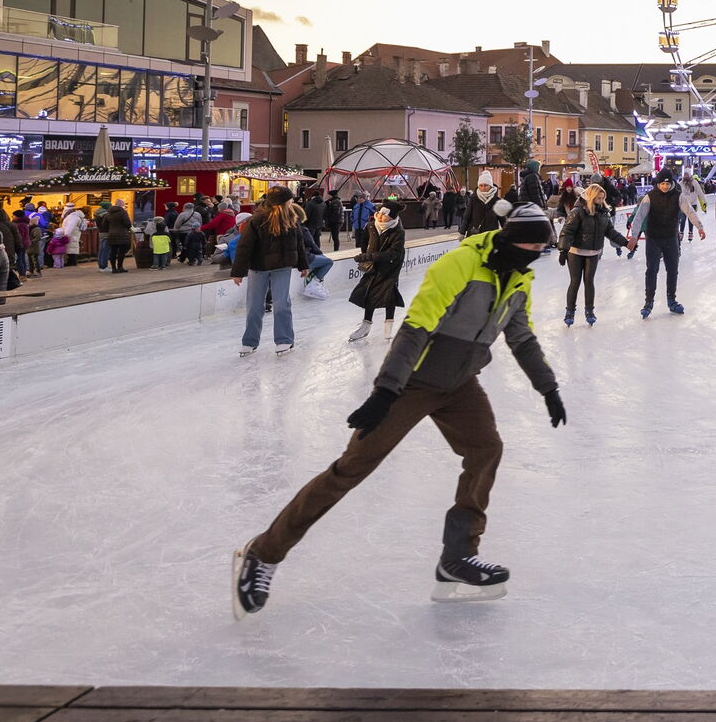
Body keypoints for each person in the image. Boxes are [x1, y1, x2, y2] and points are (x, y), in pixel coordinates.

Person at [232, 202, 564, 617]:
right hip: (413, 381)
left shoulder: (519, 278)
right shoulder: (461, 263)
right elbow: (417, 326)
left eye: (542, 245)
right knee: (352, 467)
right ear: (512, 238)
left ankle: (457, 558)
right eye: (533, 243)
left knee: (485, 451)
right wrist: (387, 391)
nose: (537, 251)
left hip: (460, 383)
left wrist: (547, 387)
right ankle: (263, 553)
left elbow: (522, 336)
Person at [232, 188, 308, 356]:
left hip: (282, 267)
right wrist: (238, 271)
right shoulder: (257, 220)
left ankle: (284, 339)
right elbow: (244, 247)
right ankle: (249, 342)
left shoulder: (292, 219)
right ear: (281, 202)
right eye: (289, 200)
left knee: (282, 304)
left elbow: (299, 244)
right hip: (258, 268)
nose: (292, 202)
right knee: (254, 306)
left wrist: (303, 264)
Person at [628, 168, 705, 317]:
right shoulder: (649, 197)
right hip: (653, 239)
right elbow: (639, 217)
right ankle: (648, 301)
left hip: (670, 238)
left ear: (671, 183)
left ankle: (672, 300)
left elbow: (690, 211)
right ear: (658, 183)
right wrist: (634, 236)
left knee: (672, 270)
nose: (664, 186)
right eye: (662, 183)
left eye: (667, 183)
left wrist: (699, 227)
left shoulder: (678, 196)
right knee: (652, 270)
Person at [558, 183, 629, 325]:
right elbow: (567, 231)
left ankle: (589, 311)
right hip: (576, 252)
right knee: (575, 282)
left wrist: (625, 243)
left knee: (589, 282)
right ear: (591, 197)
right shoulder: (577, 211)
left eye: (602, 198)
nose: (600, 201)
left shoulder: (603, 212)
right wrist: (563, 250)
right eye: (598, 198)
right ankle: (570, 311)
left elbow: (610, 232)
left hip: (593, 252)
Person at [348, 202, 408, 342]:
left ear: (393, 217)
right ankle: (366, 325)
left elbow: (394, 253)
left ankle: (388, 324)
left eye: (385, 215)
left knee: (389, 293)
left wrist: (369, 256)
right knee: (369, 292)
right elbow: (364, 242)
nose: (380, 217)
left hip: (391, 265)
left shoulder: (398, 231)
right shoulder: (371, 226)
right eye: (380, 213)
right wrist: (366, 256)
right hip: (374, 264)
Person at [298, 217, 335, 299]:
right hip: (304, 258)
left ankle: (315, 284)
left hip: (293, 258)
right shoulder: (302, 229)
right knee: (328, 262)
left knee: (322, 259)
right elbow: (312, 244)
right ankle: (314, 283)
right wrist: (321, 255)